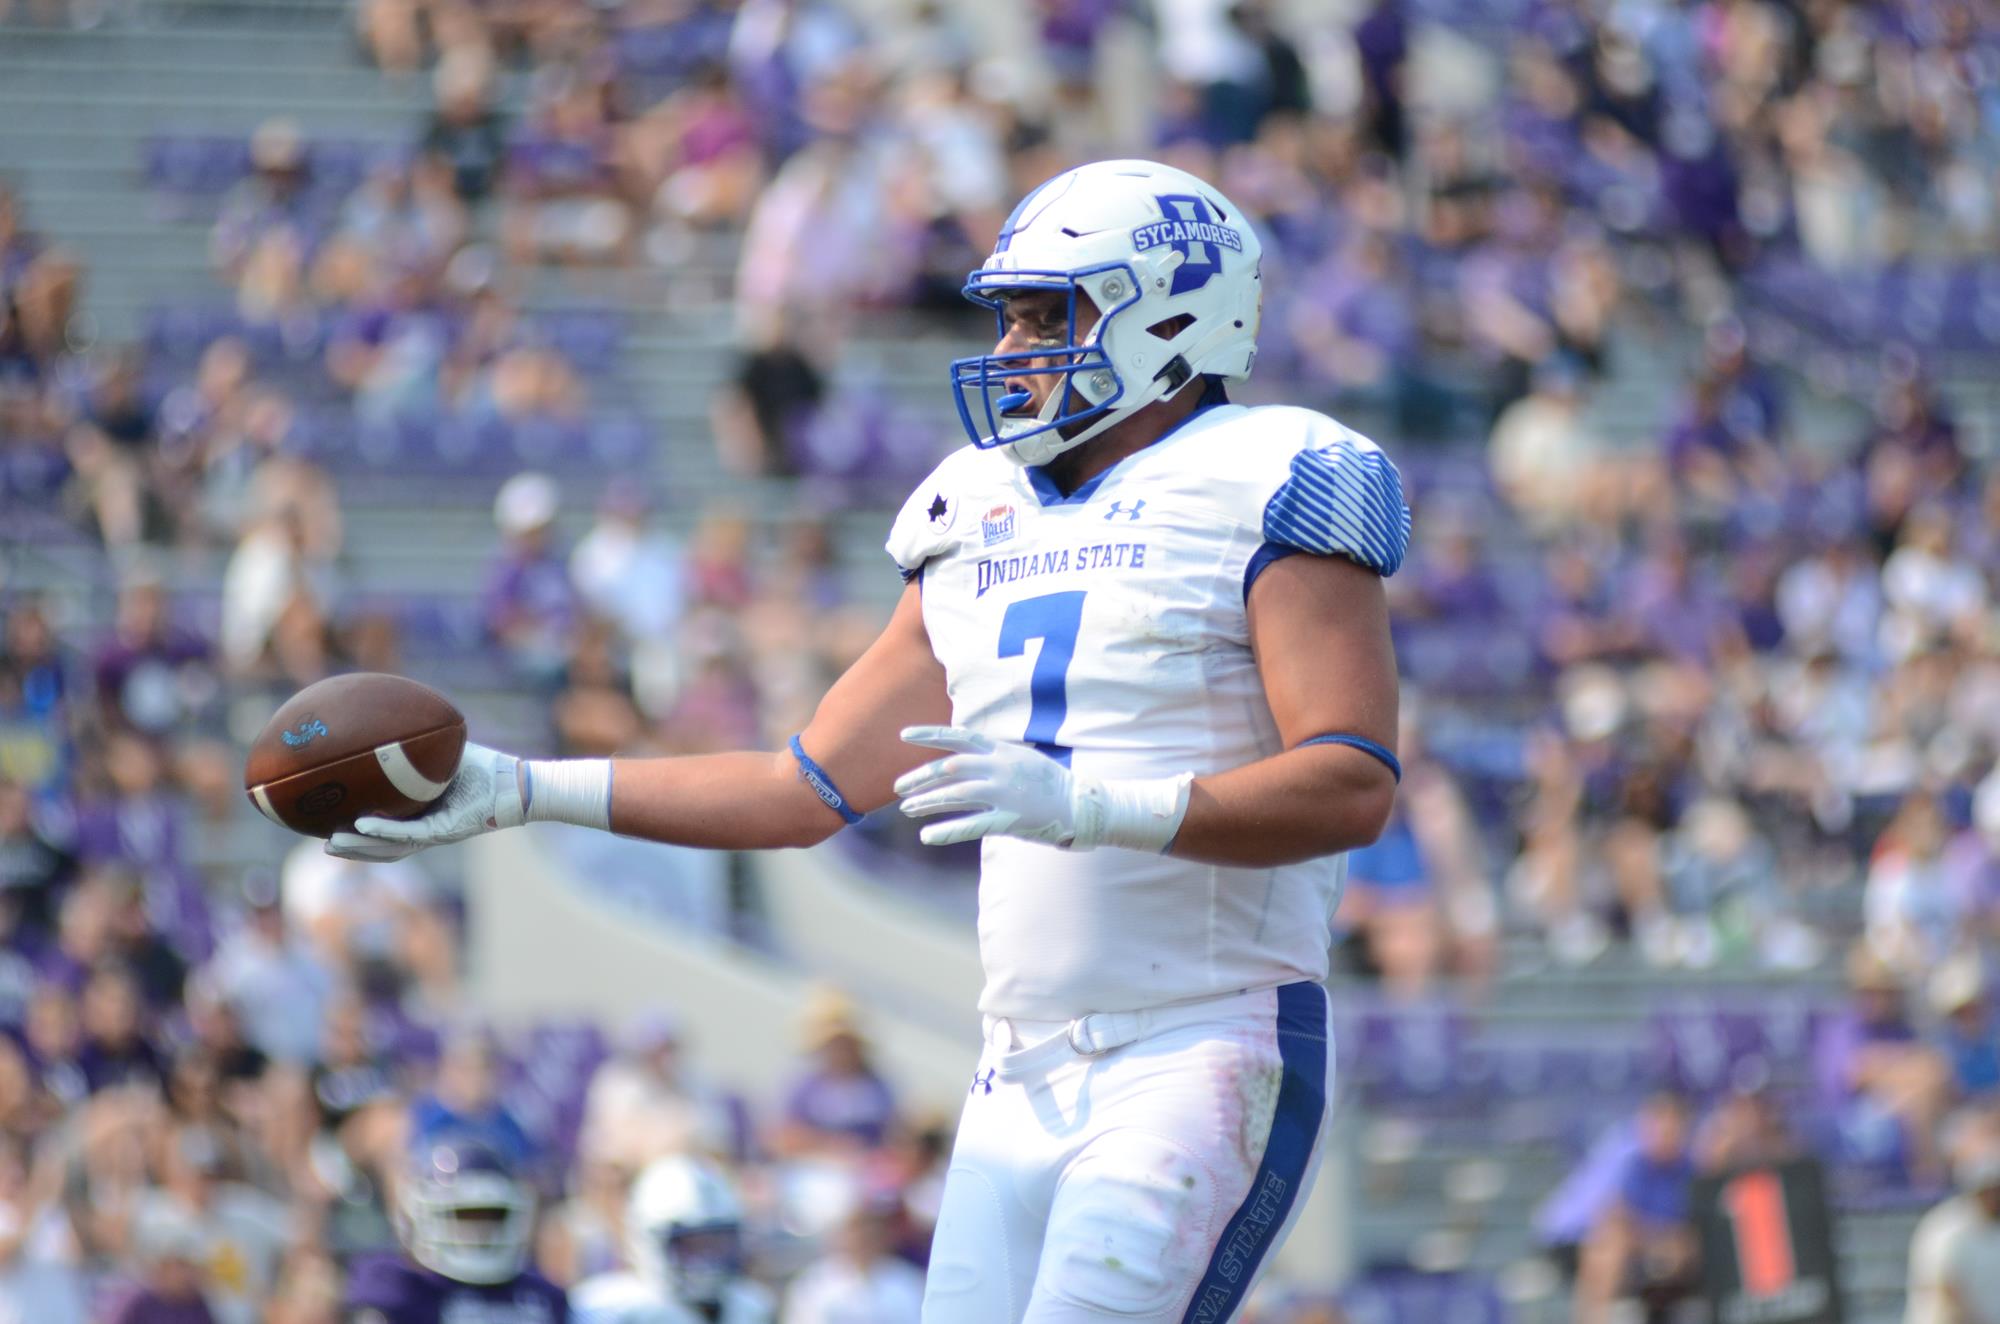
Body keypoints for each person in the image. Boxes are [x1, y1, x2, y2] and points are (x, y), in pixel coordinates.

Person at [329, 158, 1409, 1323]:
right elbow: (798, 786)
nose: (1012, 351)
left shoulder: (1267, 474)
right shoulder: (977, 505)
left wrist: (1099, 809)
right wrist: (520, 786)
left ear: (1173, 311)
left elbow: (1350, 781)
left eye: (1050, 315)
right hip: (1018, 1068)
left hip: (1202, 1044)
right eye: (1010, 319)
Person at [343, 1135, 567, 1323]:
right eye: (465, 1216)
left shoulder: (542, 1296)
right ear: (425, 1215)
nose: (479, 1231)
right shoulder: (399, 1289)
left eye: (492, 1216)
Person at [571, 1154, 774, 1324]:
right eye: (691, 1246)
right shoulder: (612, 1307)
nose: (705, 1260)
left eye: (715, 1244)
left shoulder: (751, 1307)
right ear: (649, 1240)